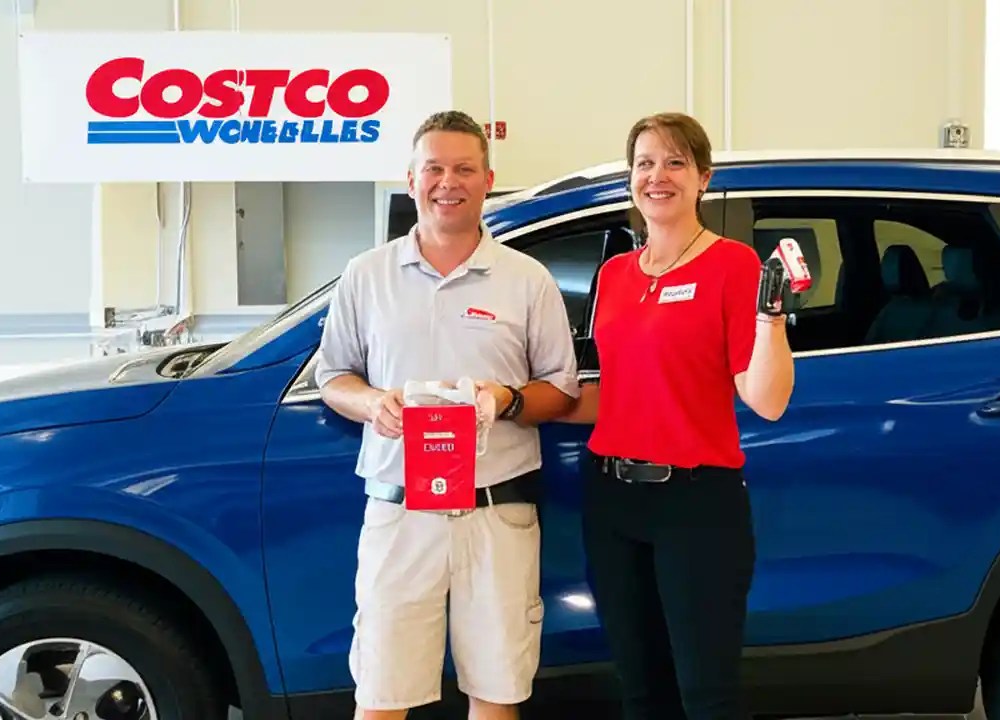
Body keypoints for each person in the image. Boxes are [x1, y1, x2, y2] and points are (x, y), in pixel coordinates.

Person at [314, 110, 581, 720]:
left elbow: (561, 390)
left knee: (496, 692)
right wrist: (371, 401)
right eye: (433, 168)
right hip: (398, 511)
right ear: (410, 179)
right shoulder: (366, 275)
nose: (447, 182)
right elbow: (333, 375)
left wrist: (506, 400)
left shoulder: (527, 279)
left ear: (489, 179)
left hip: (496, 512)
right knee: (382, 694)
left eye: (464, 169)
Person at [560, 112, 796, 719]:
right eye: (643, 163)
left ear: (702, 178)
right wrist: (511, 402)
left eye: (674, 162)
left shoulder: (733, 266)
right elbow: (617, 390)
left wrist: (769, 318)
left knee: (705, 695)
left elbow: (765, 400)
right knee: (640, 690)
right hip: (612, 500)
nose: (656, 176)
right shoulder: (614, 276)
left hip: (695, 504)